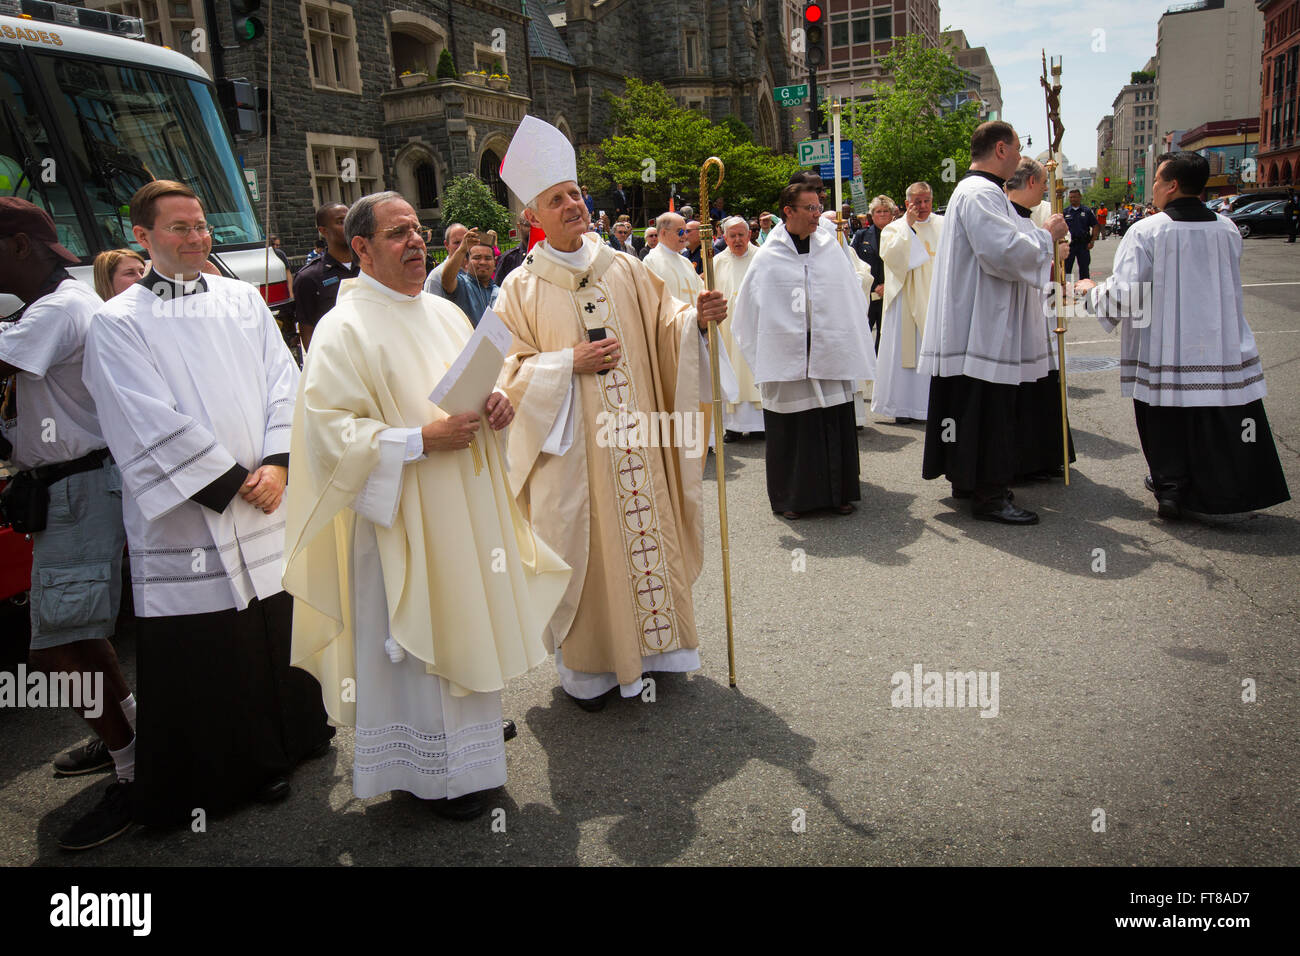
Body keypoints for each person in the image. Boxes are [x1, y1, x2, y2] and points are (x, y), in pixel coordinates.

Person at [283, 192, 569, 820]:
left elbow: (482, 385)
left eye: (418, 230)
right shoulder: (343, 327)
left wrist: (498, 403)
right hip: (401, 516)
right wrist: (417, 441)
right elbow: (327, 436)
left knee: (466, 616)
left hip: (464, 508)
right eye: (396, 234)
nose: (415, 242)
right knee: (414, 640)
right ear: (360, 248)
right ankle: (426, 776)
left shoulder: (444, 313)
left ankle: (472, 763)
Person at [81, 180, 334, 828]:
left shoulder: (241, 300)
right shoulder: (115, 322)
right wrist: (228, 484)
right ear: (142, 236)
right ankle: (238, 771)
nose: (196, 238)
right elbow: (140, 418)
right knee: (213, 645)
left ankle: (299, 739)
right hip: (194, 515)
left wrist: (278, 464)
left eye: (200, 225)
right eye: (178, 229)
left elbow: (286, 379)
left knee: (273, 626)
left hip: (265, 497)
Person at [492, 116, 727, 710]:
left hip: (639, 441)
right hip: (574, 456)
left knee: (648, 536)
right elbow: (504, 377)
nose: (573, 204)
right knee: (585, 550)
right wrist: (563, 363)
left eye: (575, 193)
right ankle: (593, 672)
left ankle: (657, 653)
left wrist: (695, 317)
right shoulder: (518, 290)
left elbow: (662, 324)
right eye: (556, 199)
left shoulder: (622, 266)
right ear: (533, 218)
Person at [0, 198, 137, 851]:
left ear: (21, 247)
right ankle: (127, 739)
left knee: (54, 648)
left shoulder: (56, 310)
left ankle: (135, 770)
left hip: (78, 487)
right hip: (68, 488)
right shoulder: (56, 305)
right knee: (75, 636)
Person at [1075, 151, 1289, 520]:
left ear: (1172, 185)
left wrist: (1090, 291)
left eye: (1157, 181)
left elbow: (1126, 294)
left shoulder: (1147, 230)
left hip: (1166, 344)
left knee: (1164, 419)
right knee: (1215, 421)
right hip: (1218, 341)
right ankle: (1223, 492)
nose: (1153, 188)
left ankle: (1171, 489)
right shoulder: (1227, 228)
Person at [918, 121, 1068, 526]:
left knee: (975, 410)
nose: (1020, 158)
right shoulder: (980, 192)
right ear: (1000, 149)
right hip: (983, 324)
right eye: (1017, 149)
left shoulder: (979, 192)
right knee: (991, 412)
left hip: (978, 321)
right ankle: (989, 496)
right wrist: (1046, 235)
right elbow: (1002, 252)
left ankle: (973, 482)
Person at [731, 182, 876, 519]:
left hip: (829, 351)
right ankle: (793, 498)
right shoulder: (769, 256)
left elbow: (849, 294)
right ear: (788, 211)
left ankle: (839, 492)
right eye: (809, 208)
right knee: (796, 428)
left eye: (817, 207)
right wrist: (774, 345)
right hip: (786, 354)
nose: (816, 214)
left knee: (832, 422)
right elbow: (749, 311)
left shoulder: (829, 246)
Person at [1005, 159, 1076, 482]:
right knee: (1020, 387)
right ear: (1031, 181)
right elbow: (1013, 263)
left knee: (1040, 383)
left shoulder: (1028, 220)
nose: (1047, 188)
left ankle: (1042, 456)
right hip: (1011, 319)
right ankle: (1022, 461)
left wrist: (1054, 258)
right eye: (1044, 182)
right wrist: (1049, 252)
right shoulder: (1007, 219)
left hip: (1034, 314)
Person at [873, 183, 943, 425]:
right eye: (917, 202)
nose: (922, 206)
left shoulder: (943, 225)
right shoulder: (893, 229)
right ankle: (902, 406)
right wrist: (909, 227)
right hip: (903, 298)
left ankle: (929, 406)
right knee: (902, 354)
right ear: (907, 204)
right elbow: (892, 257)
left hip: (933, 297)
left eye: (926, 201)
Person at [712, 217, 764, 441]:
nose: (737, 240)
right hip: (727, 329)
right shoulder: (717, 262)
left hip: (755, 327)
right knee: (730, 371)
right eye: (732, 236)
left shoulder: (761, 258)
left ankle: (759, 424)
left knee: (753, 370)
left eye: (741, 235)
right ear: (724, 238)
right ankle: (732, 426)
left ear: (749, 235)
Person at [292, 202, 358, 351]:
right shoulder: (309, 277)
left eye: (350, 220)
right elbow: (308, 331)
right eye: (341, 222)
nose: (349, 226)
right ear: (323, 231)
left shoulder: (372, 267)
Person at [851, 197, 894, 349]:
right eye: (878, 211)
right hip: (867, 295)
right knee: (863, 337)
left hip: (890, 295)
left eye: (885, 211)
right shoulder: (861, 236)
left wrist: (887, 285)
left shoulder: (899, 235)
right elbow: (854, 262)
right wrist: (874, 285)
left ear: (892, 214)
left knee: (886, 340)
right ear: (872, 214)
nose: (882, 214)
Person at [439, 228, 500, 327]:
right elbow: (446, 280)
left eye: (488, 258)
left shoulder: (501, 293)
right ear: (466, 263)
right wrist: (462, 249)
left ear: (494, 264)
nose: (483, 262)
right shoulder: (461, 285)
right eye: (477, 258)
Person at [1062, 189, 1099, 280]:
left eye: (1074, 197)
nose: (1072, 199)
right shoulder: (1065, 212)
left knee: (1084, 269)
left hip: (1083, 244)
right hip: (1070, 244)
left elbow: (1095, 225)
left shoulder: (1086, 211)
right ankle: (1067, 290)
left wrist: (1092, 241)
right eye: (1070, 197)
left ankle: (1084, 290)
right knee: (1067, 270)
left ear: (1080, 197)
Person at [422, 222, 468, 294]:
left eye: (465, 242)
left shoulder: (475, 271)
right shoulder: (436, 277)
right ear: (446, 245)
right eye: (457, 242)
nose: (462, 246)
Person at [495, 212, 531, 284]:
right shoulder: (509, 258)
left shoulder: (549, 254)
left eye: (537, 224)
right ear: (519, 226)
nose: (533, 229)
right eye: (528, 225)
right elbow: (499, 289)